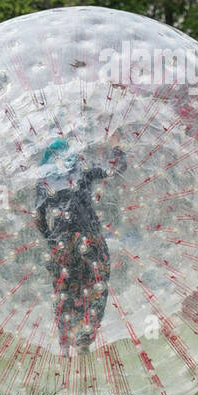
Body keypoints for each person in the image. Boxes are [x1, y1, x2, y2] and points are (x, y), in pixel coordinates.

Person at [34, 139, 127, 353]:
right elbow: (113, 170)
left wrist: (52, 240)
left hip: (61, 244)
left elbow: (38, 218)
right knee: (96, 285)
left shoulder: (43, 180)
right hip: (89, 237)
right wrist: (118, 147)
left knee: (65, 290)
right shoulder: (82, 170)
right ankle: (85, 338)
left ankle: (65, 341)